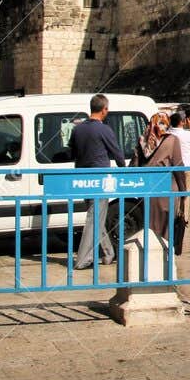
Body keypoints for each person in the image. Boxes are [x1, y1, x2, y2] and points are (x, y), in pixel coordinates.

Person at [68, 93, 129, 269]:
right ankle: (83, 259)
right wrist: (123, 168)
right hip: (101, 180)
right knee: (94, 217)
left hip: (82, 178)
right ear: (104, 110)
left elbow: (72, 153)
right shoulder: (105, 130)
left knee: (96, 215)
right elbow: (117, 154)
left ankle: (109, 253)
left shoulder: (77, 129)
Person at [145, 111, 189, 255]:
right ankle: (165, 259)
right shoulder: (172, 140)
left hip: (147, 190)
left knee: (149, 225)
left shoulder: (143, 140)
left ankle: (149, 257)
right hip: (166, 190)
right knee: (166, 227)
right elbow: (178, 165)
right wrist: (184, 191)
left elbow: (134, 164)